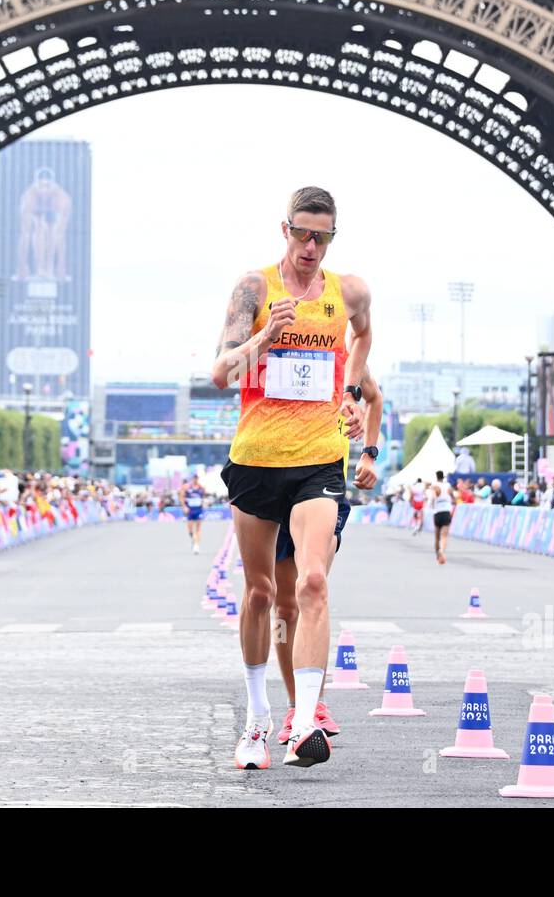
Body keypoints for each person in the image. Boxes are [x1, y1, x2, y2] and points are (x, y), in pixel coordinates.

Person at [211, 185, 371, 770]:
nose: (310, 246)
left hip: (318, 458)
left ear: (333, 238)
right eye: (302, 233)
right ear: (285, 230)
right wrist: (266, 335)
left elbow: (361, 340)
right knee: (259, 594)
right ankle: (255, 721)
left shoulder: (347, 291)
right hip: (256, 458)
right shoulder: (254, 288)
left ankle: (303, 720)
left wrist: (352, 397)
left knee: (311, 584)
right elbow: (221, 374)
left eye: (321, 237)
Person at [274, 369, 382, 746]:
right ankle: (292, 703)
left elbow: (375, 396)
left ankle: (311, 705)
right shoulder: (281, 337)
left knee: (313, 587)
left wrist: (369, 453)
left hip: (323, 484)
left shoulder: (343, 354)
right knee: (284, 609)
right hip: (274, 479)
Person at [430, 469, 455, 565]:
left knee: (437, 537)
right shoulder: (448, 486)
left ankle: (437, 554)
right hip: (446, 511)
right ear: (443, 477)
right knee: (444, 535)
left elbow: (432, 498)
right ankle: (442, 551)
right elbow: (453, 496)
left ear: (436, 477)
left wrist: (432, 505)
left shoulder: (434, 486)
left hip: (437, 512)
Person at [180, 472, 207, 554]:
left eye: (196, 478)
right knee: (190, 529)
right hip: (190, 510)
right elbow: (182, 497)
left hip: (198, 509)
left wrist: (203, 504)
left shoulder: (201, 487)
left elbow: (203, 497)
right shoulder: (186, 487)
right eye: (194, 478)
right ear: (191, 479)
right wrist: (184, 506)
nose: (195, 479)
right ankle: (193, 538)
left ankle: (196, 545)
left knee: (198, 529)